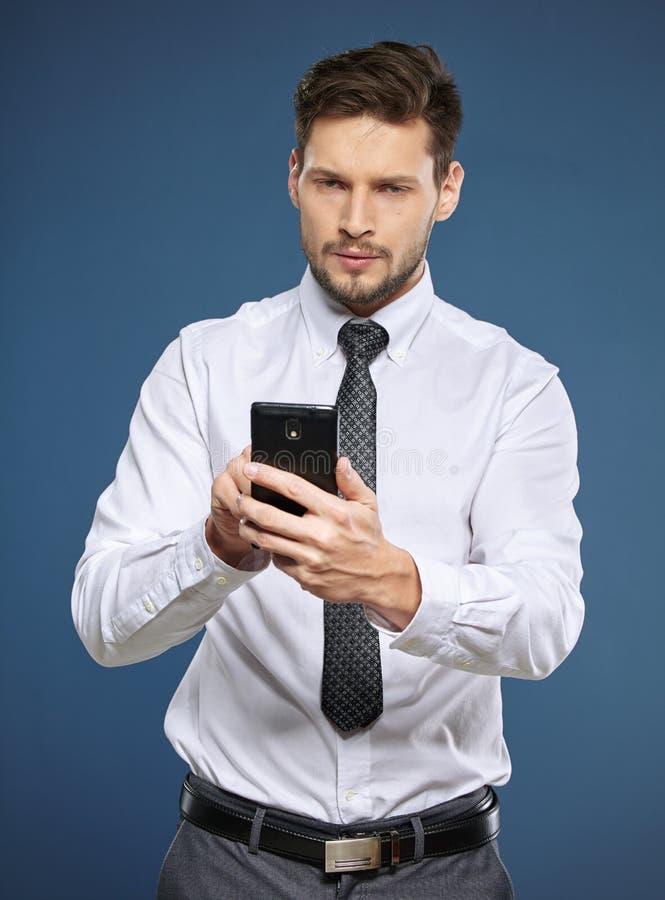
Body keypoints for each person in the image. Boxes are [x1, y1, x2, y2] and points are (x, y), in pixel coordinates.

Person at [72, 41, 584, 899]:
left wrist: (397, 584)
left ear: (445, 191)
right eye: (330, 182)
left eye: (391, 188)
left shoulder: (514, 386)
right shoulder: (203, 363)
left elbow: (546, 626)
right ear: (293, 178)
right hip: (228, 864)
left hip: (442, 871)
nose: (356, 220)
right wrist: (215, 550)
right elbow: (104, 627)